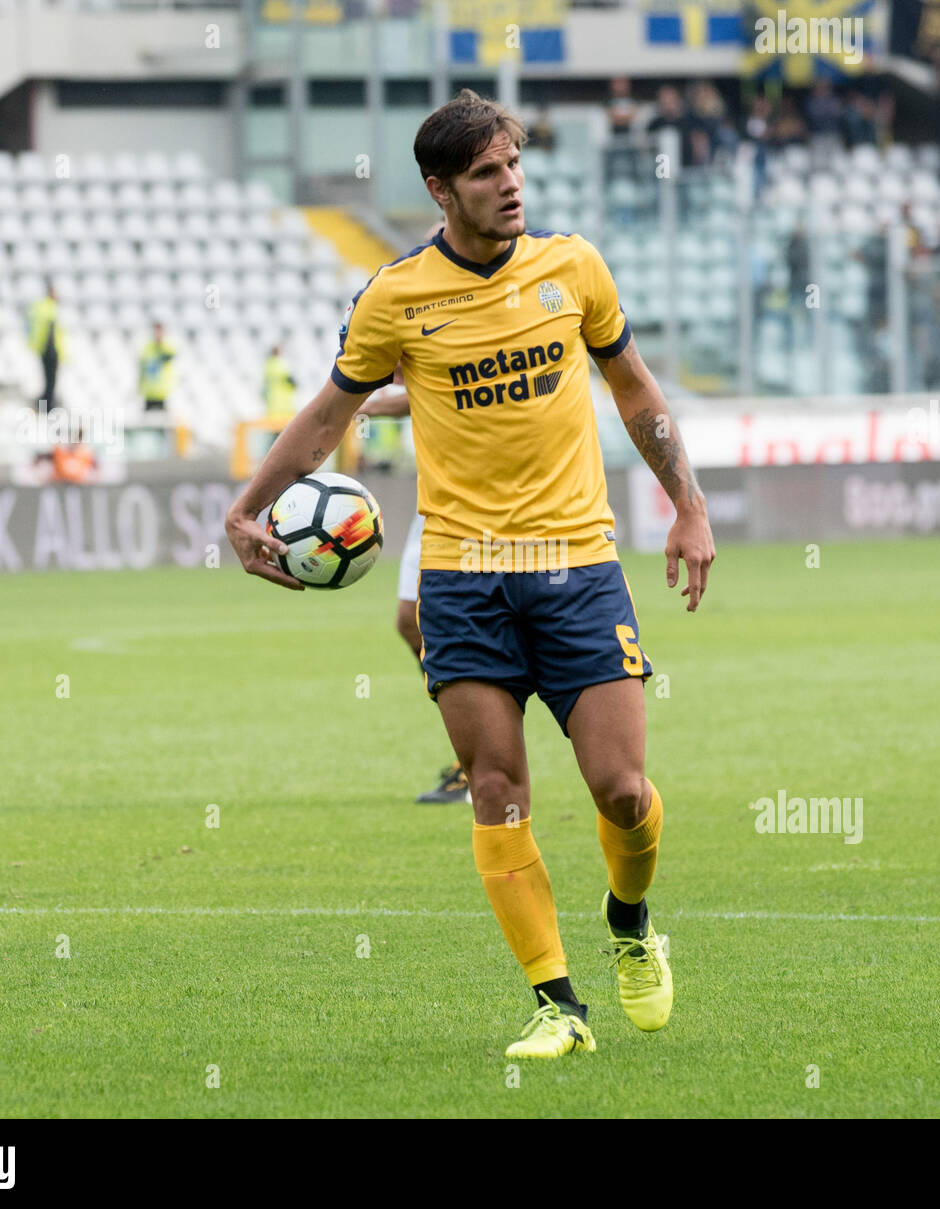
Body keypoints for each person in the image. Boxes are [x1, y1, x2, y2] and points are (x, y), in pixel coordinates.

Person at [226, 89, 714, 1060]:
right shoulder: (397, 297)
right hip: (463, 577)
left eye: (516, 166)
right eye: (488, 173)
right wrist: (245, 506)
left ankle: (629, 925)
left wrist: (688, 506)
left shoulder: (572, 269)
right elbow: (332, 414)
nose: (511, 186)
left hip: (577, 566)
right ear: (440, 189)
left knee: (621, 789)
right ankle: (555, 1005)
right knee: (496, 784)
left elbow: (635, 392)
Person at [356, 370, 471, 806]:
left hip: (468, 499)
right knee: (410, 622)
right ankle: (474, 756)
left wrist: (356, 404)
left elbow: (427, 389)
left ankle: (479, 764)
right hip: (434, 497)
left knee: (458, 629)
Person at [28, 280, 65, 412]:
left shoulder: (41, 307)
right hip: (50, 350)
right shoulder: (50, 308)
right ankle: (47, 407)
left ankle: (45, 405)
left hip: (44, 349)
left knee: (49, 381)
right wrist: (52, 350)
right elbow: (50, 331)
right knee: (50, 381)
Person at [138, 322, 176, 412]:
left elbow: (170, 355)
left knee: (163, 420)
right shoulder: (147, 347)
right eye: (156, 331)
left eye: (159, 332)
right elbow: (143, 366)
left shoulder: (167, 347)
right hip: (149, 392)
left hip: (163, 393)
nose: (157, 334)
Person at [262, 344, 297, 419]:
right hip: (281, 403)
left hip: (277, 403)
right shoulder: (278, 364)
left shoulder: (269, 364)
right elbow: (286, 377)